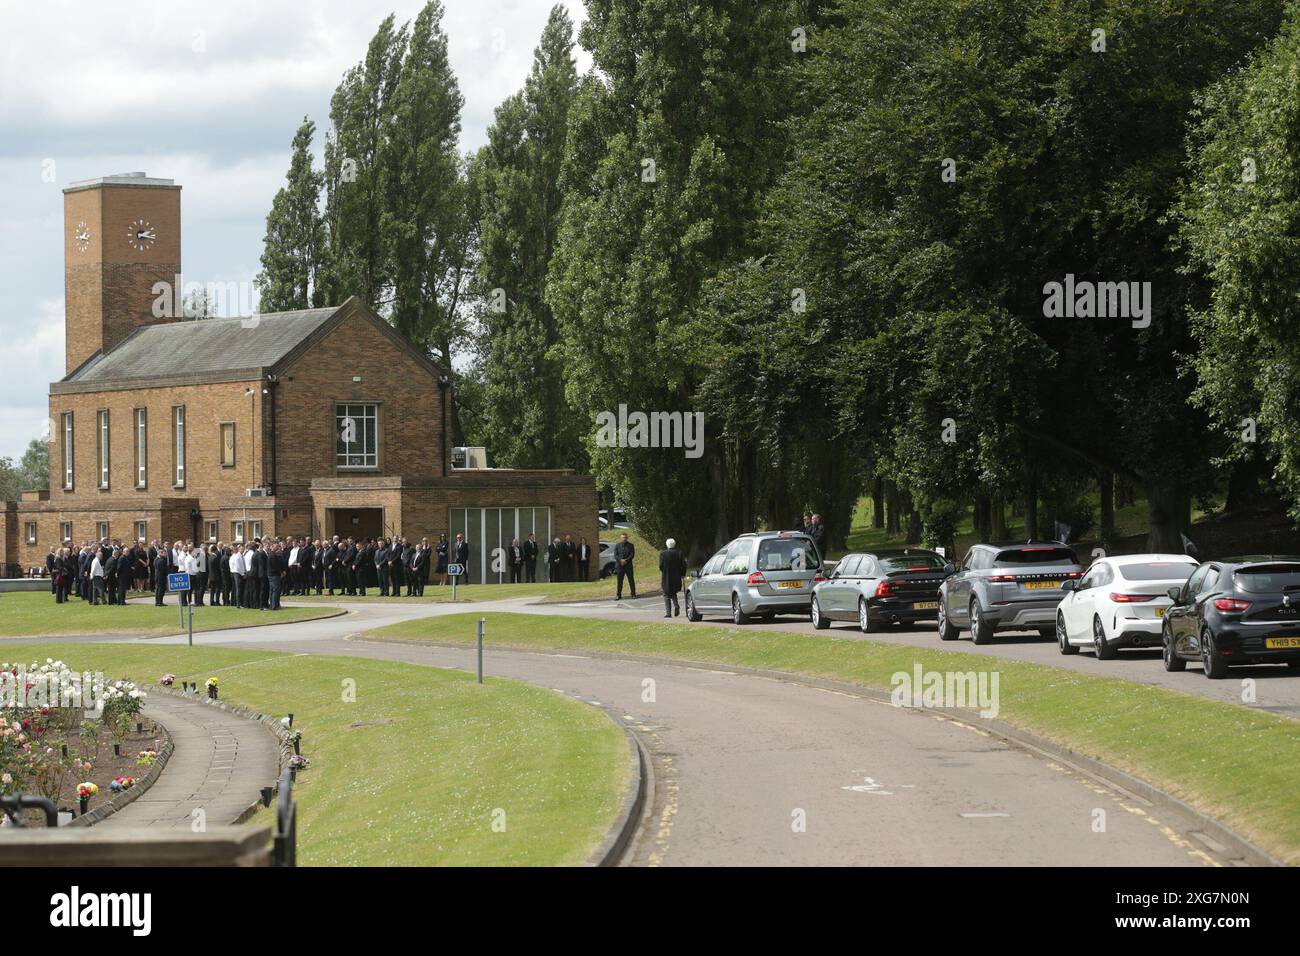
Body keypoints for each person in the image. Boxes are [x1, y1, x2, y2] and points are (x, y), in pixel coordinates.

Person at [659, 538, 687, 618]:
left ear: (667, 545)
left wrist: (664, 571)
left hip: (667, 576)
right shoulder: (679, 553)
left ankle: (668, 613)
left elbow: (661, 566)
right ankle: (676, 605)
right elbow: (684, 565)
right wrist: (682, 574)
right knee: (673, 592)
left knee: (666, 593)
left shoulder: (663, 554)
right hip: (677, 576)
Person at [613, 532, 637, 599]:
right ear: (621, 538)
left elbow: (632, 555)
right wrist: (620, 560)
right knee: (619, 581)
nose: (624, 539)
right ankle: (618, 595)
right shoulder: (617, 545)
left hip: (628, 565)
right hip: (620, 566)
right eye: (623, 537)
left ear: (627, 538)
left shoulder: (631, 545)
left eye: (625, 538)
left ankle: (633, 594)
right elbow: (615, 555)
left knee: (631, 580)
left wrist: (626, 560)